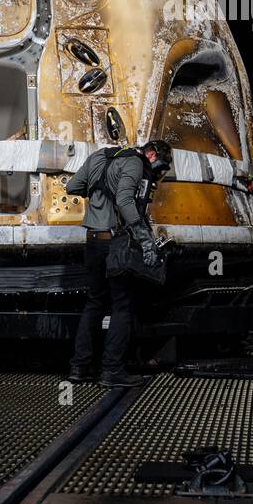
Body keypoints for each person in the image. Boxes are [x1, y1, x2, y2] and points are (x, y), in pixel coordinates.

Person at [66, 140, 172, 388]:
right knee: (122, 307)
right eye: (159, 167)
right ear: (152, 154)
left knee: (94, 303)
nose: (155, 175)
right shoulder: (135, 162)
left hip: (92, 239)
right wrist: (145, 239)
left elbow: (72, 187)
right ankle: (112, 370)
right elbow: (125, 201)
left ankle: (80, 367)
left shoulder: (98, 156)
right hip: (114, 243)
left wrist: (100, 191)